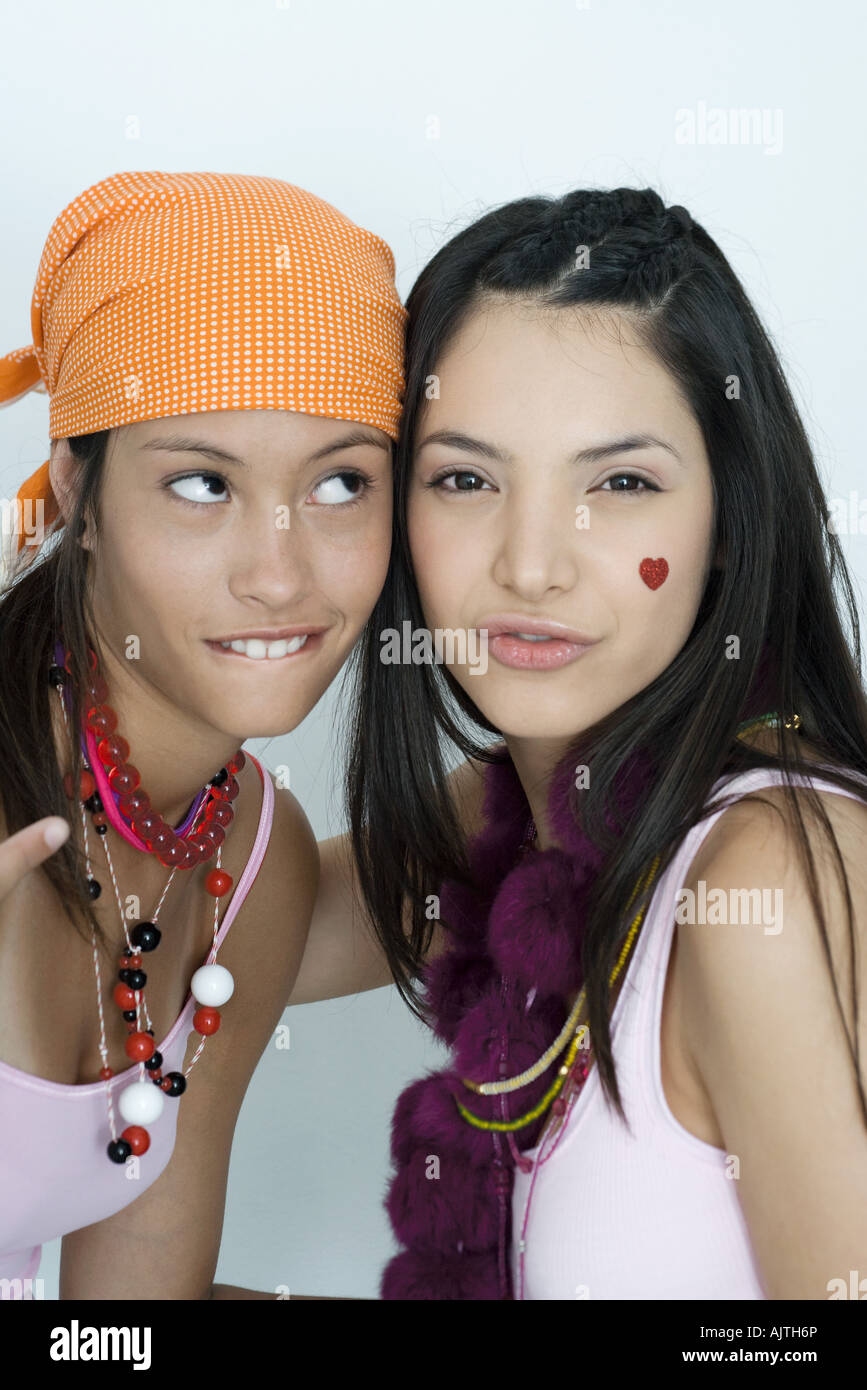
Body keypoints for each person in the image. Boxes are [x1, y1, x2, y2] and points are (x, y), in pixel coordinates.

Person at [294, 186, 867, 1299]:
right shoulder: (518, 816)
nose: (534, 564)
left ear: (726, 524)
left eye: (621, 482)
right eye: (465, 478)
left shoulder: (766, 870)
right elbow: (218, 932)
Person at [0, 169, 405, 1299]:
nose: (278, 574)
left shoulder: (249, 871)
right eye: (198, 481)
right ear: (76, 486)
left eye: (339, 485)